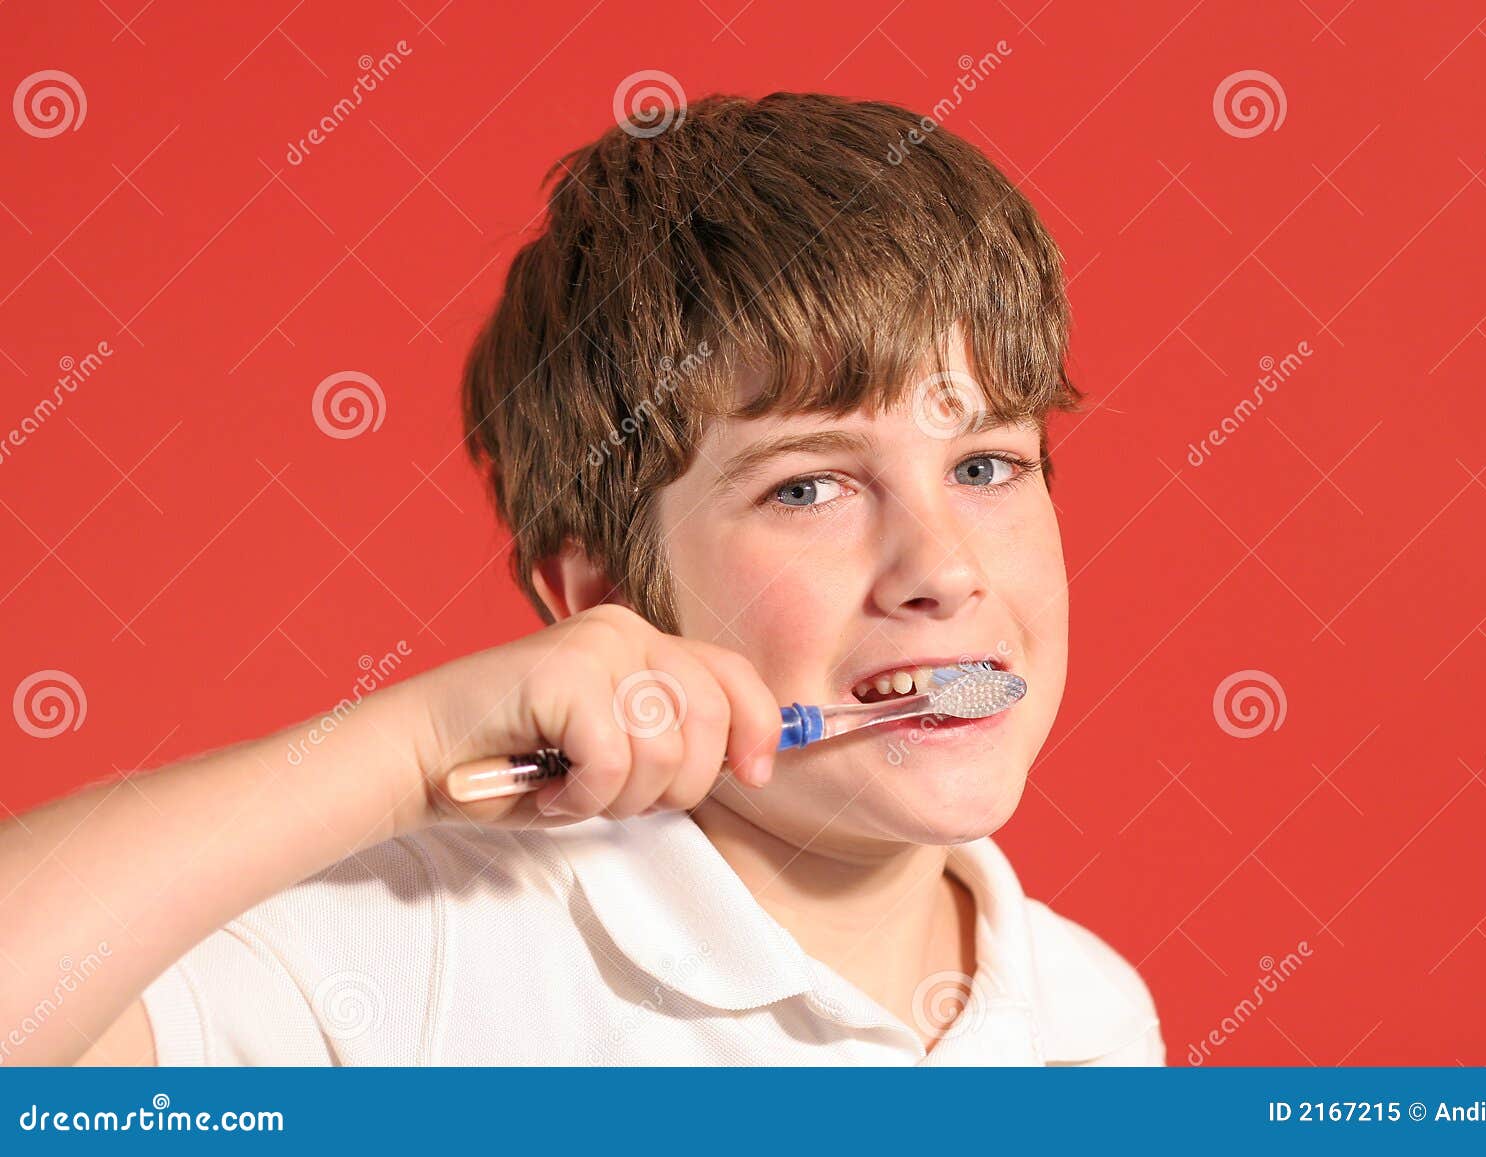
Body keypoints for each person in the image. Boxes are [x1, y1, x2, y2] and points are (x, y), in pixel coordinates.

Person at [1, 92, 1163, 1066]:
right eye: (808, 487)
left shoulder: (1091, 1017)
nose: (944, 566)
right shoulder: (422, 951)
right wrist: (411, 748)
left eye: (985, 463)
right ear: (604, 599)